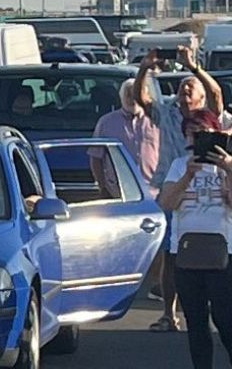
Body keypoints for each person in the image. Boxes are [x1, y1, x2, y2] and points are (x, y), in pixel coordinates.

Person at [135, 48, 230, 332]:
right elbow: (142, 99)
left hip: (209, 185)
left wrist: (194, 67)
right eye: (181, 88)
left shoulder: (210, 117)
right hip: (173, 181)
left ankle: (215, 308)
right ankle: (168, 312)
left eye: (190, 89)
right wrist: (145, 69)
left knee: (207, 249)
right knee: (170, 253)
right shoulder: (167, 112)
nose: (185, 92)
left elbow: (216, 95)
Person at [157, 108, 232, 368]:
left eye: (203, 133)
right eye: (191, 134)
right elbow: (166, 202)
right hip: (187, 252)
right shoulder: (179, 166)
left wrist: (229, 171)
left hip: (224, 252)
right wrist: (188, 176)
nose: (196, 139)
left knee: (225, 319)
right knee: (196, 322)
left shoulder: (228, 166)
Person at [91, 79, 160, 200]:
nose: (132, 98)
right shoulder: (106, 123)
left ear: (146, 96)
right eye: (128, 94)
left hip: (155, 192)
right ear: (121, 97)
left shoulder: (157, 121)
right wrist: (103, 187)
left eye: (136, 94)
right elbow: (96, 158)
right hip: (118, 193)